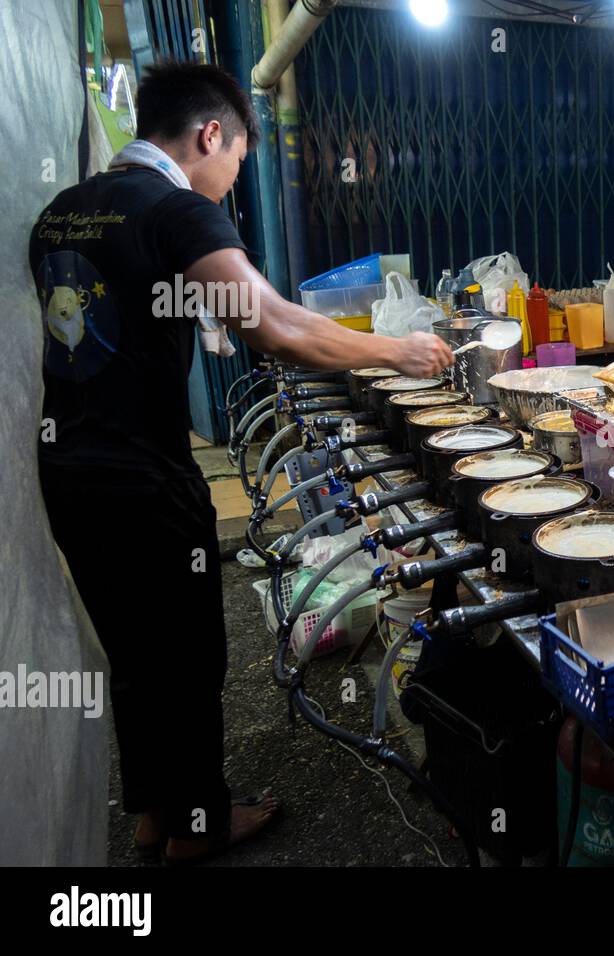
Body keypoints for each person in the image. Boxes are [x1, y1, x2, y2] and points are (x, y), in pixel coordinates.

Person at [29, 60, 452, 865]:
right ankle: (200, 829)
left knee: (134, 653)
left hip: (71, 471)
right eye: (234, 162)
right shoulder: (174, 208)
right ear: (210, 134)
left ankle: (156, 818)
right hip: (145, 477)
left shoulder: (63, 211)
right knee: (187, 657)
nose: (230, 182)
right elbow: (272, 325)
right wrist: (392, 350)